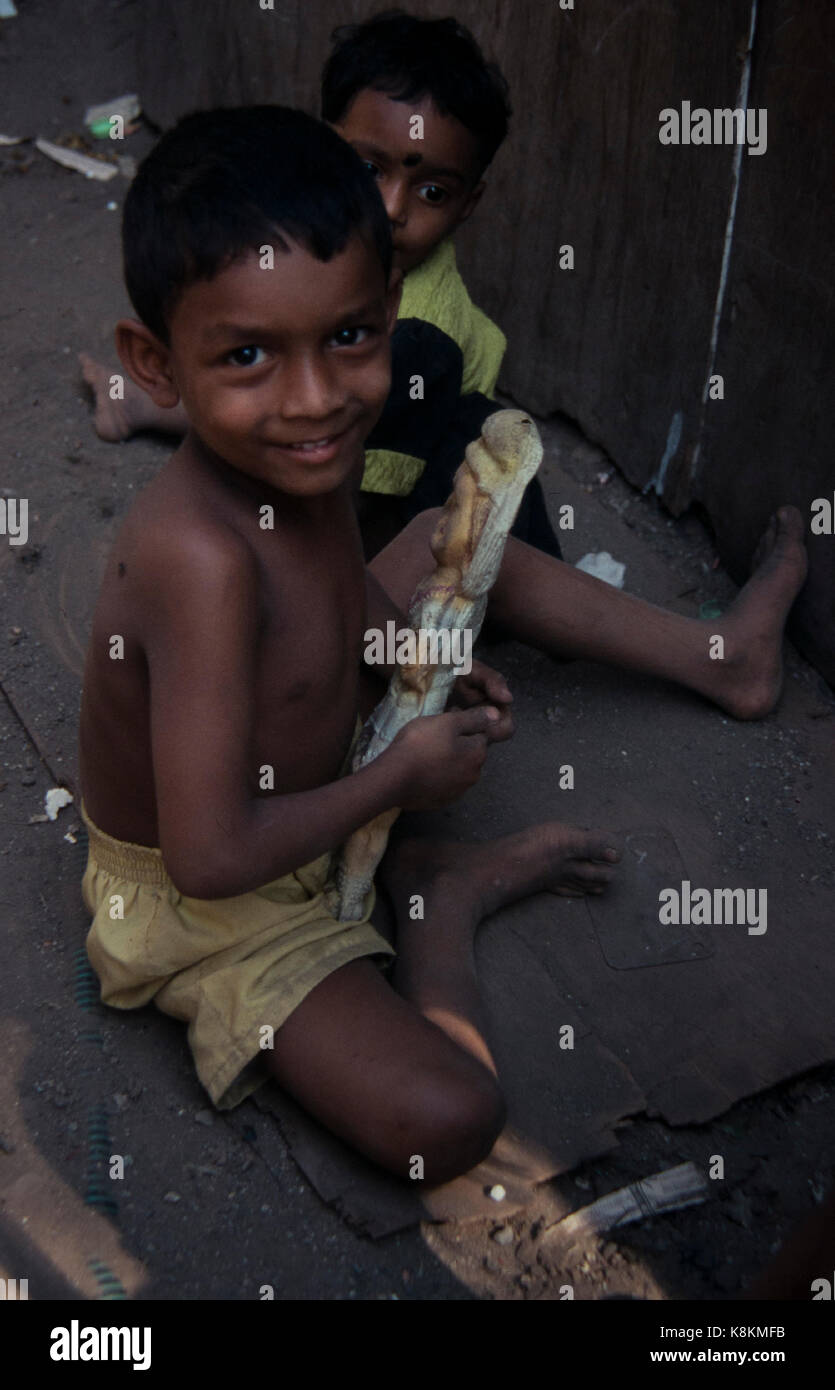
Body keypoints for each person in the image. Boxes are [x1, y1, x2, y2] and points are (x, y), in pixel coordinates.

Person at [79, 107, 624, 1186]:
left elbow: (333, 583)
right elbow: (210, 854)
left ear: (385, 309)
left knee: (449, 541)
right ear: (154, 364)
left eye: (348, 336)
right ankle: (435, 907)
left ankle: (708, 659)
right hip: (205, 903)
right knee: (450, 1118)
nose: (315, 398)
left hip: (299, 791)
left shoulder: (303, 454)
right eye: (246, 355)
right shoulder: (199, 559)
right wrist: (393, 779)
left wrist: (413, 656)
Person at [78, 9, 561, 558]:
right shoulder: (329, 245)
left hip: (420, 484)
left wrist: (326, 579)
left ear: (467, 203)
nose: (392, 208)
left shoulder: (421, 339)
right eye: (370, 169)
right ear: (322, 144)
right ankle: (146, 407)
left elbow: (367, 487)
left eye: (433, 193)